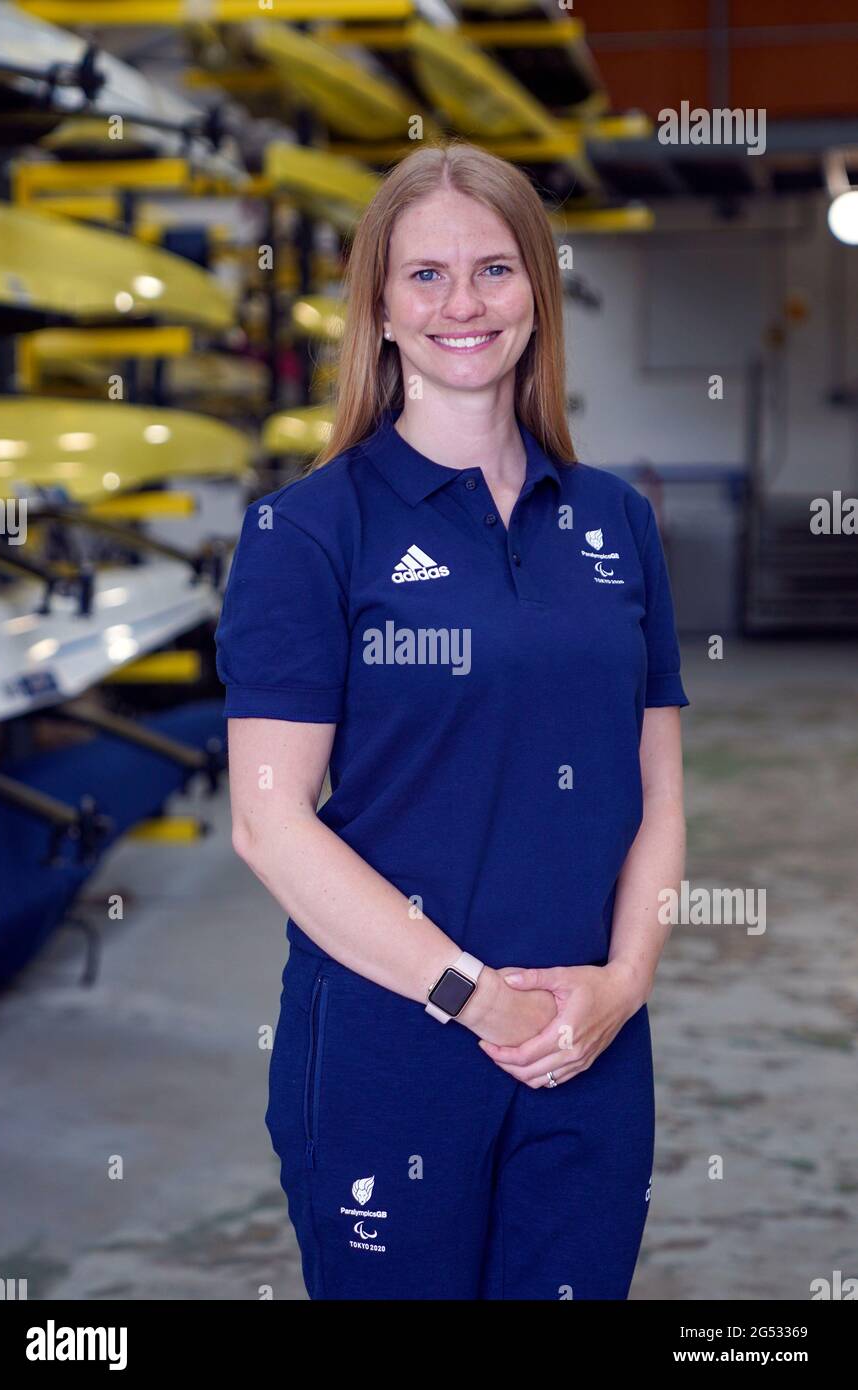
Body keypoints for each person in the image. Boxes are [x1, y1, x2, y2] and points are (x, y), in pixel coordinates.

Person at [215, 139, 688, 1301]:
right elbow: (269, 825)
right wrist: (475, 996)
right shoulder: (309, 533)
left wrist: (619, 985)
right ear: (378, 306)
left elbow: (663, 792)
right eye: (425, 275)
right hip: (394, 1048)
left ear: (537, 291)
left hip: (589, 1046)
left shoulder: (617, 522)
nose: (462, 303)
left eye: (494, 269)